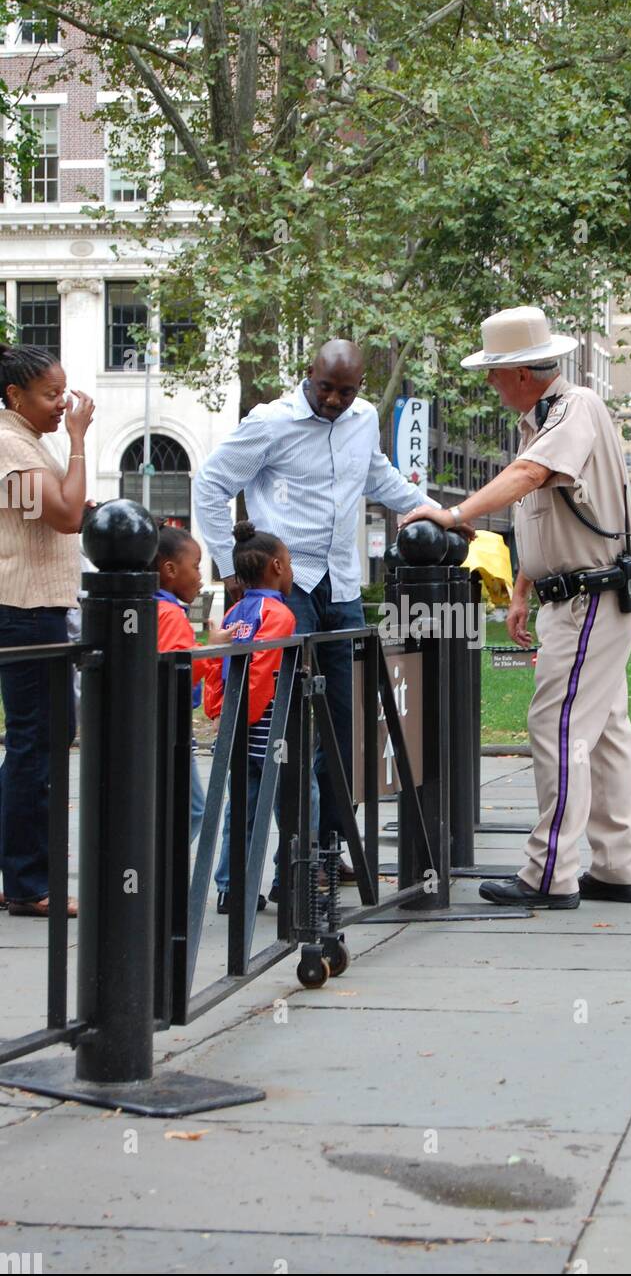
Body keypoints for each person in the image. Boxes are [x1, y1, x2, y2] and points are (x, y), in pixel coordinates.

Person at [401, 306, 631, 909]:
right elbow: (547, 513)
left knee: (557, 726)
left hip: (591, 596)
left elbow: (532, 476)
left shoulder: (574, 407)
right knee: (605, 731)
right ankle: (618, 866)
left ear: (520, 372)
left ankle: (548, 874)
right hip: (582, 593)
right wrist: (521, 588)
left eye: (494, 371)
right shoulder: (541, 420)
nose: (489, 382)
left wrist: (454, 514)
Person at [193, 340, 436, 875]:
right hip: (286, 591)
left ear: (359, 389)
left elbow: (379, 477)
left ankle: (325, 849)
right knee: (280, 731)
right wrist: (229, 569)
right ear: (309, 375)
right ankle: (286, 866)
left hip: (342, 589)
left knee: (345, 727)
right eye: (326, 387)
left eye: (346, 391)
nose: (333, 400)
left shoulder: (363, 418)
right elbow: (210, 483)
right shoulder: (269, 422)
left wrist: (438, 513)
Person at [0, 343, 93, 918]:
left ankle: (19, 871)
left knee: (39, 741)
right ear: (15, 397)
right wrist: (80, 442)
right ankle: (30, 884)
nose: (64, 403)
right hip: (26, 609)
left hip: (37, 608)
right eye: (51, 394)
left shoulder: (26, 443)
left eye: (64, 392)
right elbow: (64, 515)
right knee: (36, 745)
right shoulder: (11, 445)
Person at [203, 521, 297, 912]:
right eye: (290, 562)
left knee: (238, 809)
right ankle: (289, 880)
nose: (292, 570)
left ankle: (232, 887)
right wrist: (251, 716)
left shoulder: (235, 612)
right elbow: (262, 669)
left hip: (237, 728)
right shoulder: (279, 614)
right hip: (268, 729)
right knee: (296, 804)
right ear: (276, 566)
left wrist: (224, 714)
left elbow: (219, 662)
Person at [152, 523, 231, 842]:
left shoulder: (153, 606)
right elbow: (178, 666)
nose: (200, 576)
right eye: (196, 567)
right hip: (168, 723)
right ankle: (162, 878)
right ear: (170, 569)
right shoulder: (170, 614)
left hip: (158, 721)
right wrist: (213, 648)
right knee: (192, 808)